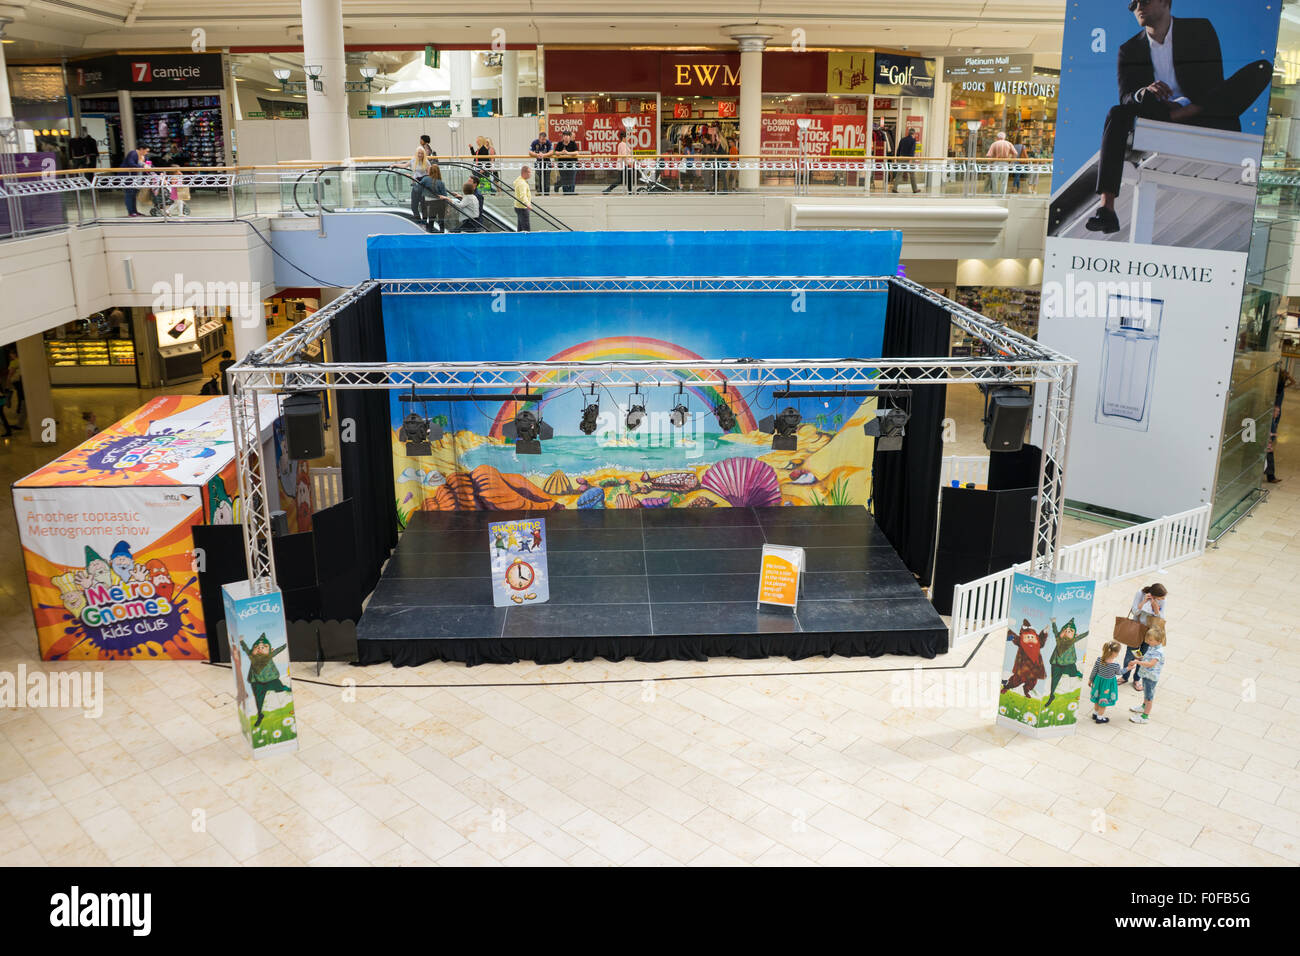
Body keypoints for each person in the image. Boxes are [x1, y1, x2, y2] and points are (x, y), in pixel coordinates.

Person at [1083, 0, 1272, 234]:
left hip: (1202, 111)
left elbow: (1215, 82)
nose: (1138, 6)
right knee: (1116, 113)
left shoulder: (1199, 30)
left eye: (1144, 0)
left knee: (1261, 68)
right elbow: (1126, 98)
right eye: (1133, 3)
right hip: (1160, 116)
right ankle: (1107, 207)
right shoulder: (1129, 49)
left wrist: (1185, 107)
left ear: (1165, 2)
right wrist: (1144, 92)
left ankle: (1184, 113)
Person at [1119, 582, 1167, 692]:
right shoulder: (1141, 593)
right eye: (1160, 597)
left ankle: (1137, 679)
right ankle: (1124, 676)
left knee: (1143, 655)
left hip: (1150, 631)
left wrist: (1156, 607)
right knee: (1130, 654)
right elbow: (1135, 612)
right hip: (1136, 628)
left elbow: (1161, 617)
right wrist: (1144, 601)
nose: (1163, 599)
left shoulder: (1162, 600)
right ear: (1153, 594)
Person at [1126, 617, 1166, 725]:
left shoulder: (1158, 652)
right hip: (1146, 674)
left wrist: (1137, 662)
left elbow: (1151, 664)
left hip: (1151, 677)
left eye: (1150, 640)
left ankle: (1145, 717)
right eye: (1148, 639)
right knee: (1146, 693)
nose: (1148, 641)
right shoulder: (1153, 647)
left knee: (1149, 697)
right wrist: (1141, 657)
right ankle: (1143, 707)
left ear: (1158, 641)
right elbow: (1147, 659)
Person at [1265, 366, 1295, 484]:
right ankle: (1270, 476)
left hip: (1273, 410)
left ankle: (1270, 475)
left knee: (1269, 446)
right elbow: (1294, 382)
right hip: (1274, 410)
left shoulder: (1274, 385)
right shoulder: (1280, 386)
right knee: (1269, 448)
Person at [1089, 641, 1125, 723]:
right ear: (1115, 653)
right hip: (1107, 686)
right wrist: (1128, 668)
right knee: (1103, 702)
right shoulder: (1115, 665)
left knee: (1097, 698)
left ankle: (1095, 714)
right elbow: (1119, 672)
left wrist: (1090, 679)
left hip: (1098, 683)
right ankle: (1100, 718)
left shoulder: (1099, 660)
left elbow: (1094, 671)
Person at [419, 163, 452, 232]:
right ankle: (442, 234)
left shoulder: (425, 179)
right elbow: (444, 195)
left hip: (429, 203)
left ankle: (430, 234)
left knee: (431, 220)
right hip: (440, 203)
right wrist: (447, 207)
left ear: (430, 171)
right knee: (441, 221)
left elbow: (418, 187)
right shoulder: (440, 182)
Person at [410, 134, 435, 220]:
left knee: (423, 204)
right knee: (414, 204)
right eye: (419, 153)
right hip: (416, 184)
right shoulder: (414, 160)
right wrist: (394, 164)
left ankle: (424, 222)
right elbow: (406, 165)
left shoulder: (426, 149)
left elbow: (429, 173)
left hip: (422, 185)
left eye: (421, 153)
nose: (420, 154)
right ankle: (419, 221)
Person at [603, 130, 635, 194]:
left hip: (625, 165)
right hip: (625, 165)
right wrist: (629, 163)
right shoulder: (623, 145)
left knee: (627, 179)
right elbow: (624, 155)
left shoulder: (622, 144)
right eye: (627, 137)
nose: (628, 138)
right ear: (623, 138)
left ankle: (630, 191)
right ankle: (609, 189)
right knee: (625, 179)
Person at [122, 144, 150, 217]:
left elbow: (149, 165)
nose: (147, 153)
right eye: (146, 151)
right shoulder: (133, 153)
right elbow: (131, 164)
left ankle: (134, 211)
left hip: (137, 179)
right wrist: (142, 166)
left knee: (133, 195)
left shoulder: (144, 156)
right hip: (128, 178)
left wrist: (159, 172)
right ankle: (131, 212)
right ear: (141, 149)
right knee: (129, 194)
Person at [893, 126, 919, 193]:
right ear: (913, 134)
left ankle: (894, 188)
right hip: (908, 159)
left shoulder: (902, 139)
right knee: (912, 174)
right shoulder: (913, 140)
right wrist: (910, 160)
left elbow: (898, 149)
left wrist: (897, 158)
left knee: (899, 174)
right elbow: (912, 151)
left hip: (901, 158)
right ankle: (915, 189)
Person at [529, 128, 553, 196]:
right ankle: (539, 191)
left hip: (547, 162)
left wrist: (544, 155)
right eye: (542, 139)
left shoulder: (548, 142)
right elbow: (530, 152)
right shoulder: (535, 142)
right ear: (539, 138)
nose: (544, 141)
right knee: (538, 177)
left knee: (547, 178)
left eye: (545, 139)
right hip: (538, 162)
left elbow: (551, 152)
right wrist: (537, 155)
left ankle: (546, 193)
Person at [512, 165, 533, 232]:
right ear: (524, 173)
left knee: (520, 227)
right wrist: (528, 204)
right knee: (526, 228)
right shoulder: (522, 183)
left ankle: (520, 240)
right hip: (523, 207)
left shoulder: (519, 180)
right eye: (529, 172)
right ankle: (526, 241)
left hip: (518, 206)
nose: (530, 174)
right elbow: (523, 196)